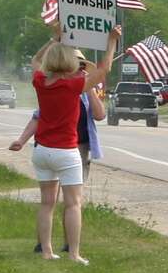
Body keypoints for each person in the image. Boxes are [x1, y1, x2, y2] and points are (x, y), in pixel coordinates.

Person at [21, 25, 118, 263]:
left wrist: (54, 39)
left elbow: (35, 60)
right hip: (66, 150)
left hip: (42, 150)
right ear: (70, 63)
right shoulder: (73, 86)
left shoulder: (40, 82)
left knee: (47, 203)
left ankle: (46, 251)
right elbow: (105, 69)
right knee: (73, 204)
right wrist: (112, 41)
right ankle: (74, 253)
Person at [11, 49, 106, 253]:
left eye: (82, 67)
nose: (80, 70)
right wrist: (22, 140)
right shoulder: (63, 88)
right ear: (68, 66)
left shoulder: (79, 89)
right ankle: (52, 246)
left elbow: (100, 115)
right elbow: (38, 118)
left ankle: (65, 243)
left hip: (78, 147)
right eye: (77, 65)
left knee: (69, 200)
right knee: (60, 201)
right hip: (64, 149)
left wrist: (88, 88)